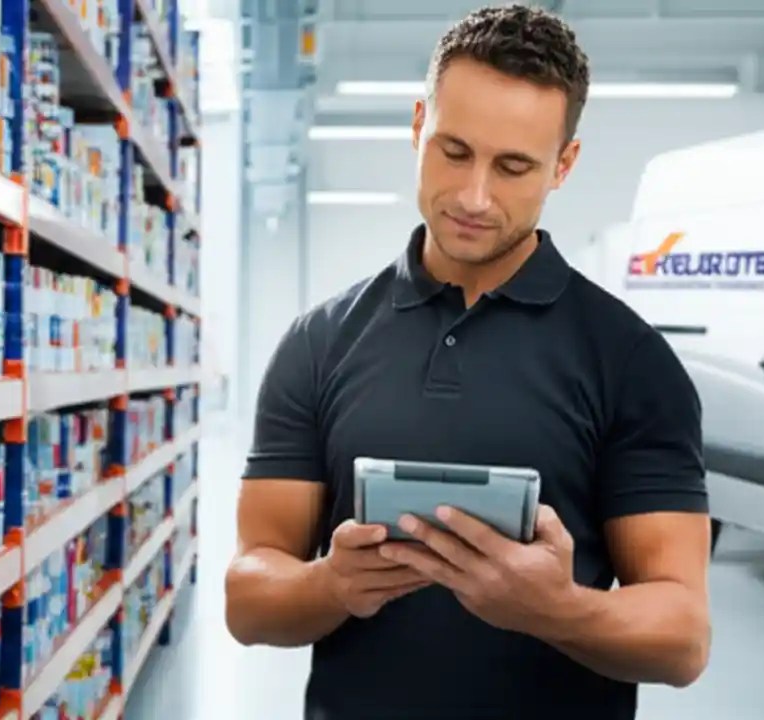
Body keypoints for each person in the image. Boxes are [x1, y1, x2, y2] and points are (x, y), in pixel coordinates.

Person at [224, 4, 712, 718]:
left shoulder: (631, 362)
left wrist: (557, 609)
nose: (475, 197)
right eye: (454, 151)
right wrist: (330, 585)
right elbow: (247, 599)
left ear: (563, 165)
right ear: (419, 125)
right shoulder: (318, 344)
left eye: (514, 167)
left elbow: (683, 638)